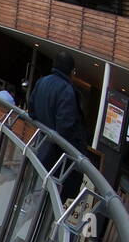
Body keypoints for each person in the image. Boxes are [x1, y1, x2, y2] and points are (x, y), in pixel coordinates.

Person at [27, 50, 88, 201]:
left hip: (40, 150)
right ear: (71, 71)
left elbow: (31, 111)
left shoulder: (42, 82)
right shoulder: (67, 91)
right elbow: (65, 129)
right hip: (56, 161)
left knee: (36, 194)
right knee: (50, 200)